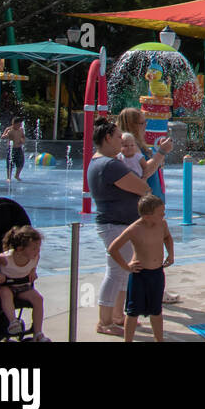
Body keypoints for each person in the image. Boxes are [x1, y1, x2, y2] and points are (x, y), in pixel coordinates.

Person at [87, 117, 155, 336]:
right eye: (118, 137)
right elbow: (142, 187)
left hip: (117, 224)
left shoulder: (98, 161)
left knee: (123, 272)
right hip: (115, 225)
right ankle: (105, 321)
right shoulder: (110, 164)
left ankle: (117, 316)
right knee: (116, 272)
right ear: (107, 138)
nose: (121, 141)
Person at [115, 108, 178, 305]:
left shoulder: (135, 144)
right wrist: (161, 152)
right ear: (132, 125)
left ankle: (154, 289)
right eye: (142, 123)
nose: (145, 126)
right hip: (146, 203)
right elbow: (145, 172)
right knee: (149, 249)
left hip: (152, 200)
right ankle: (152, 291)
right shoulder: (129, 147)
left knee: (151, 247)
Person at [107, 194, 174, 342]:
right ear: (148, 215)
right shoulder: (134, 229)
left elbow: (167, 237)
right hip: (140, 275)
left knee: (156, 311)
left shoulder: (162, 224)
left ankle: (159, 339)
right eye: (160, 212)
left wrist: (171, 254)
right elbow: (113, 249)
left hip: (157, 273)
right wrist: (126, 266)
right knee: (132, 312)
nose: (163, 214)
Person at [0, 225, 50, 341]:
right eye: (34, 248)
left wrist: (33, 270)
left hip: (22, 287)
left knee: (38, 298)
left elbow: (35, 262)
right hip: (5, 286)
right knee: (6, 293)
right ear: (20, 249)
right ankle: (13, 321)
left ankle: (38, 333)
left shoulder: (34, 256)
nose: (37, 251)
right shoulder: (7, 258)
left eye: (38, 247)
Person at [0, 117, 26, 182]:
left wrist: (22, 140)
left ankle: (17, 175)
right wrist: (7, 134)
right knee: (10, 163)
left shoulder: (21, 129)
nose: (20, 126)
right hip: (11, 148)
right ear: (14, 124)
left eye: (20, 124)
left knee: (21, 162)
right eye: (19, 124)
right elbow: (2, 137)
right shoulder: (9, 129)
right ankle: (9, 177)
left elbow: (23, 137)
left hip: (19, 148)